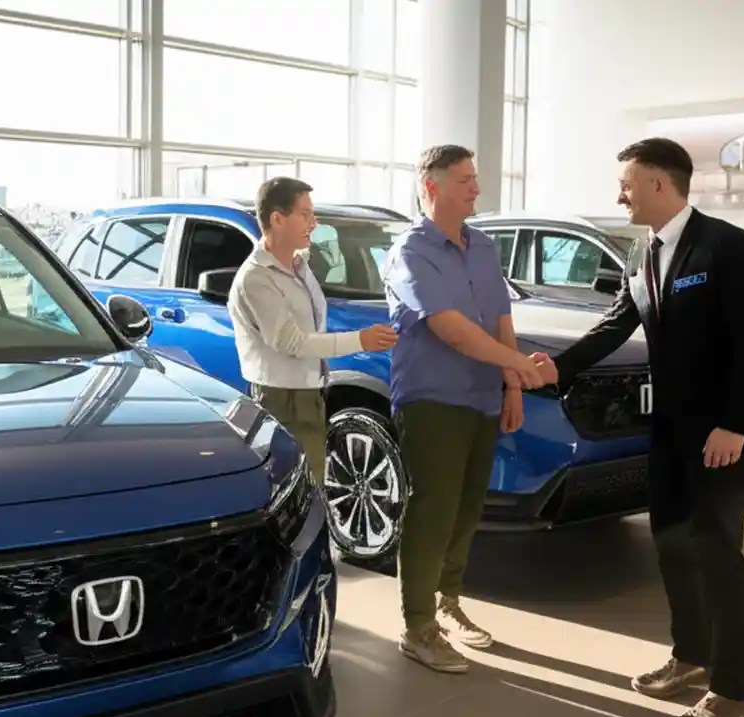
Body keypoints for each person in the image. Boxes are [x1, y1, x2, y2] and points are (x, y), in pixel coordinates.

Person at [534, 137, 744, 717]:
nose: (620, 194)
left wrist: (735, 424)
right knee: (671, 544)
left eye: (627, 183)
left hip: (722, 433)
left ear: (659, 184)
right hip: (668, 430)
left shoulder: (727, 247)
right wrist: (556, 368)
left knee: (717, 552)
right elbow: (615, 324)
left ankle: (735, 687)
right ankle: (690, 653)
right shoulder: (643, 255)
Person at [381, 144, 550, 674]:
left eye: (475, 177)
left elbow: (499, 318)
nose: (476, 188)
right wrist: (521, 366)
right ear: (432, 187)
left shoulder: (483, 248)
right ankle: (417, 626)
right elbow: (451, 329)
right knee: (432, 509)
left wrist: (513, 384)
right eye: (464, 179)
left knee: (468, 507)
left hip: (480, 397)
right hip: (432, 398)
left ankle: (448, 602)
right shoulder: (409, 253)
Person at [228, 177, 397, 488]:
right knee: (301, 492)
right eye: (305, 215)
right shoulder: (256, 278)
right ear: (277, 219)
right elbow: (291, 342)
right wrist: (361, 340)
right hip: (283, 398)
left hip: (311, 392)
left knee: (312, 486)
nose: (314, 223)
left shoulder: (298, 264)